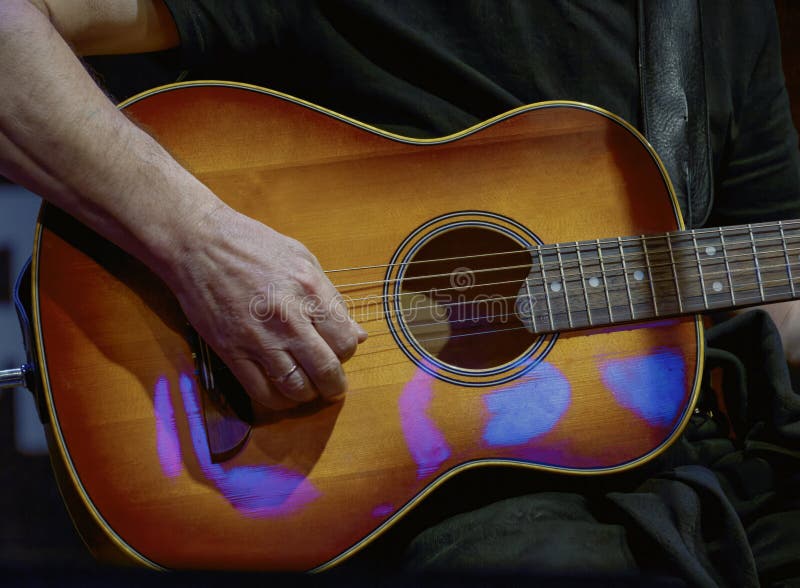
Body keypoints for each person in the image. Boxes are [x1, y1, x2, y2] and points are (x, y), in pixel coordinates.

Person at [2, 1, 799, 585]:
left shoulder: (719, 20)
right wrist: (198, 241)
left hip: (686, 457)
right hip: (422, 503)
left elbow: (767, 286)